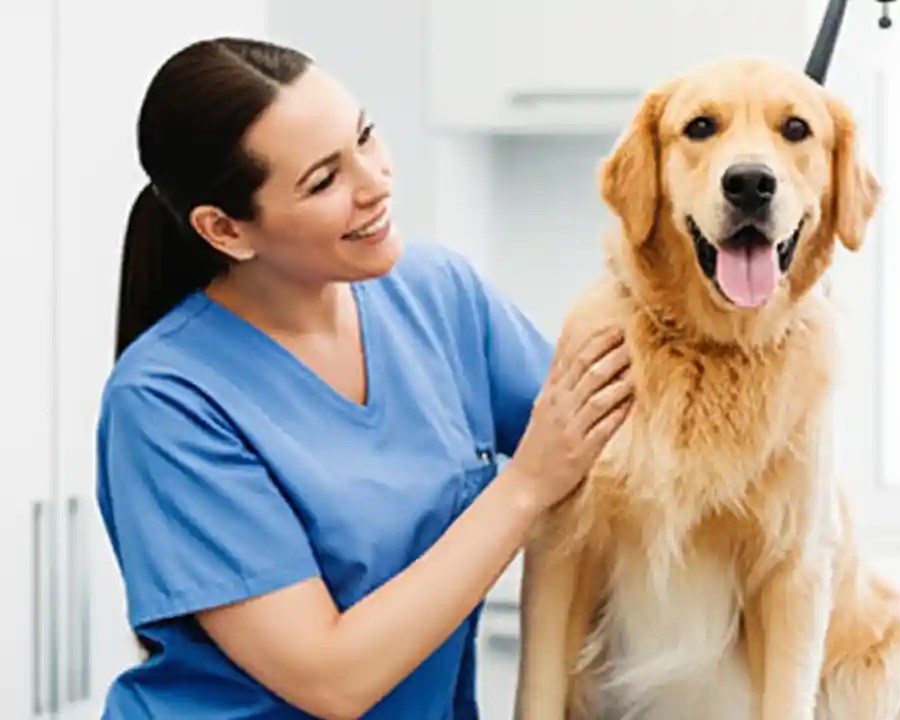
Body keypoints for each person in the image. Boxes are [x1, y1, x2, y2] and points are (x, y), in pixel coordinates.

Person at [97, 36, 633, 719]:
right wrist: (526, 485)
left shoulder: (441, 298)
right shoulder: (167, 402)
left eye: (366, 137)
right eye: (324, 181)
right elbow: (331, 679)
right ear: (227, 230)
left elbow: (626, 448)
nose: (376, 183)